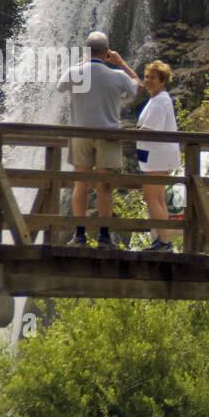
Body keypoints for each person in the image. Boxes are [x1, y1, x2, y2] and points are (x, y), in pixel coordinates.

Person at [55, 30, 140, 248]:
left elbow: (59, 87)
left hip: (81, 134)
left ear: (86, 51)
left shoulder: (75, 73)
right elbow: (138, 87)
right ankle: (104, 236)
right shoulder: (118, 75)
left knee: (80, 185)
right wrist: (121, 63)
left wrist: (84, 62)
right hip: (108, 135)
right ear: (107, 52)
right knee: (105, 187)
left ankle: (79, 235)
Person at [135, 60, 178, 252]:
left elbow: (150, 129)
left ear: (162, 81)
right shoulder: (158, 99)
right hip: (156, 154)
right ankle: (162, 239)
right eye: (146, 77)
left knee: (151, 197)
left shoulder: (160, 101)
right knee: (158, 197)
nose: (148, 81)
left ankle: (163, 241)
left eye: (152, 77)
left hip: (157, 155)